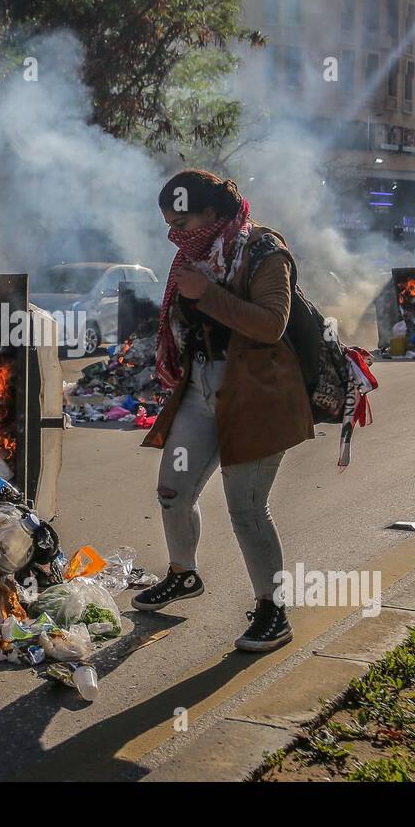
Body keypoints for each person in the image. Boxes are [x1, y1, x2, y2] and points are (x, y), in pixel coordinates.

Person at [133, 169, 314, 652]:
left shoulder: (263, 251)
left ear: (215, 213)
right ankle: (182, 573)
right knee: (173, 489)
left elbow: (273, 324)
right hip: (201, 387)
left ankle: (273, 611)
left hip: (257, 396)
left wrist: (207, 295)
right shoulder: (190, 258)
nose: (178, 234)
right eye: (170, 226)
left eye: (185, 221)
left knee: (247, 510)